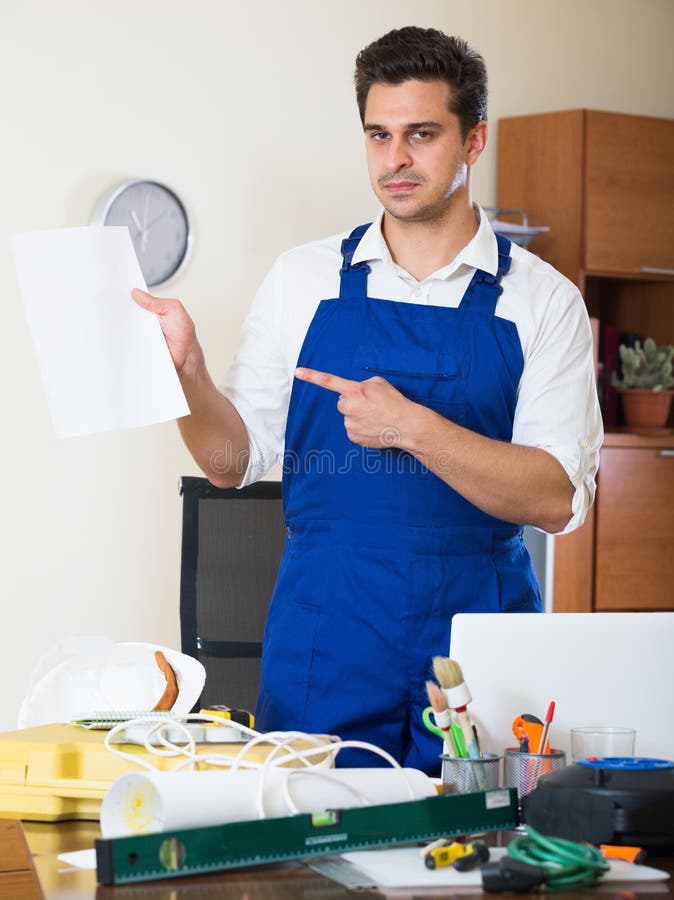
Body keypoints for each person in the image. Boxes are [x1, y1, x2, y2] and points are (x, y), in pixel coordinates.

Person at [133, 26, 603, 774]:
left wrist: (414, 428)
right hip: (328, 640)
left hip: (478, 648)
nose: (396, 160)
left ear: (474, 140)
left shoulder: (543, 302)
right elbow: (231, 463)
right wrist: (187, 378)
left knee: (479, 859)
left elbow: (554, 498)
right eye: (379, 136)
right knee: (313, 865)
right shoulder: (302, 279)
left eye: (422, 134)